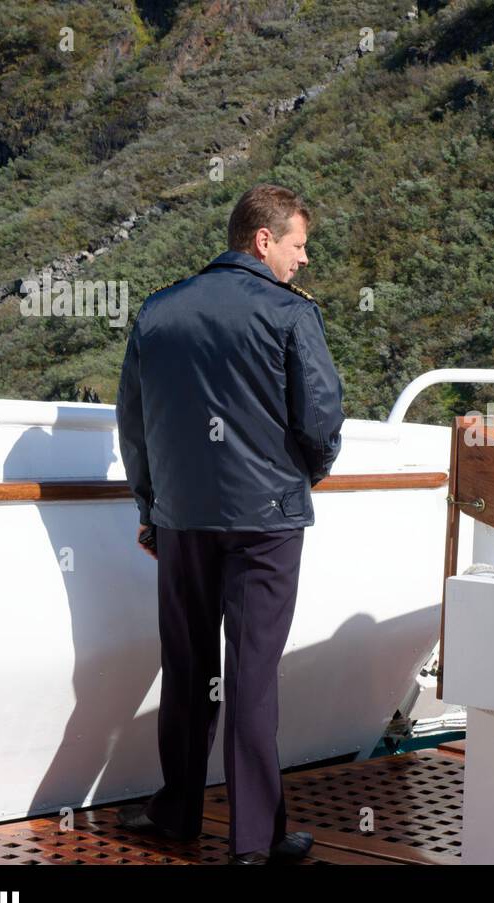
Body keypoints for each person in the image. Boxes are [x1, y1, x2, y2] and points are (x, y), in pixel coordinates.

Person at [114, 183, 345, 864]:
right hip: (265, 523)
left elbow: (135, 425)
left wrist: (152, 508)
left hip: (181, 518)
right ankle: (252, 842)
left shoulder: (158, 314)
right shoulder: (289, 315)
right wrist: (295, 478)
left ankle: (178, 812)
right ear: (263, 239)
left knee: (187, 666)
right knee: (251, 675)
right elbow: (321, 422)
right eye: (298, 244)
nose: (304, 260)